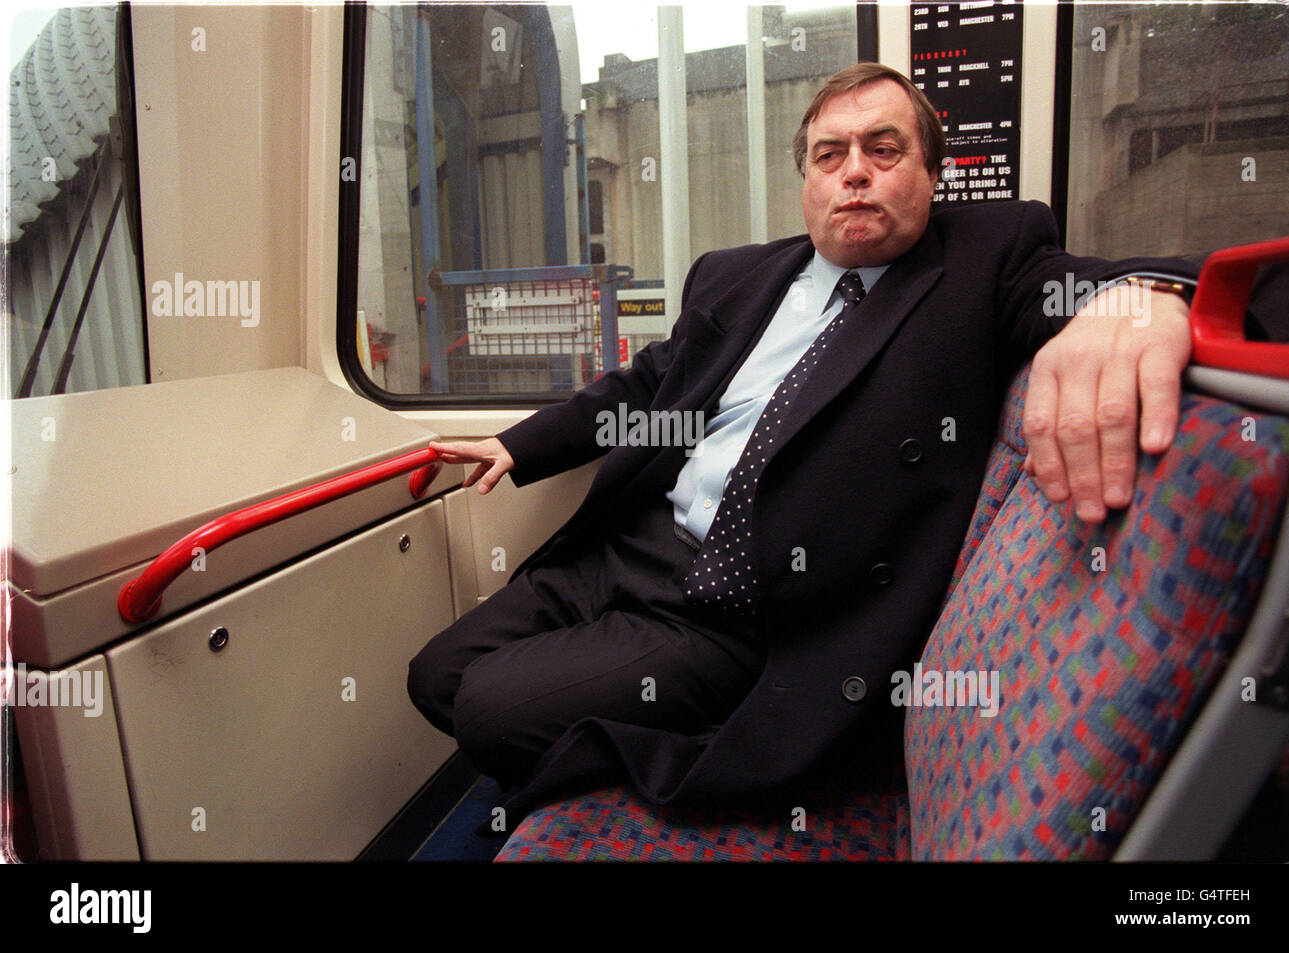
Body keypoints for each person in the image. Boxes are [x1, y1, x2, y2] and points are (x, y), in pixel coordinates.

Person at [407, 63, 1200, 833]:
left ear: (931, 174)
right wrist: (520, 444)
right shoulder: (734, 276)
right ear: (808, 182)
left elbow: (1123, 283)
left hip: (742, 612)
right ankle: (587, 757)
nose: (854, 171)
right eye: (831, 154)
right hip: (634, 547)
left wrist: (1138, 301)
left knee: (490, 712)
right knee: (436, 676)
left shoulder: (988, 256)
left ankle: (641, 767)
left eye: (883, 150)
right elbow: (649, 381)